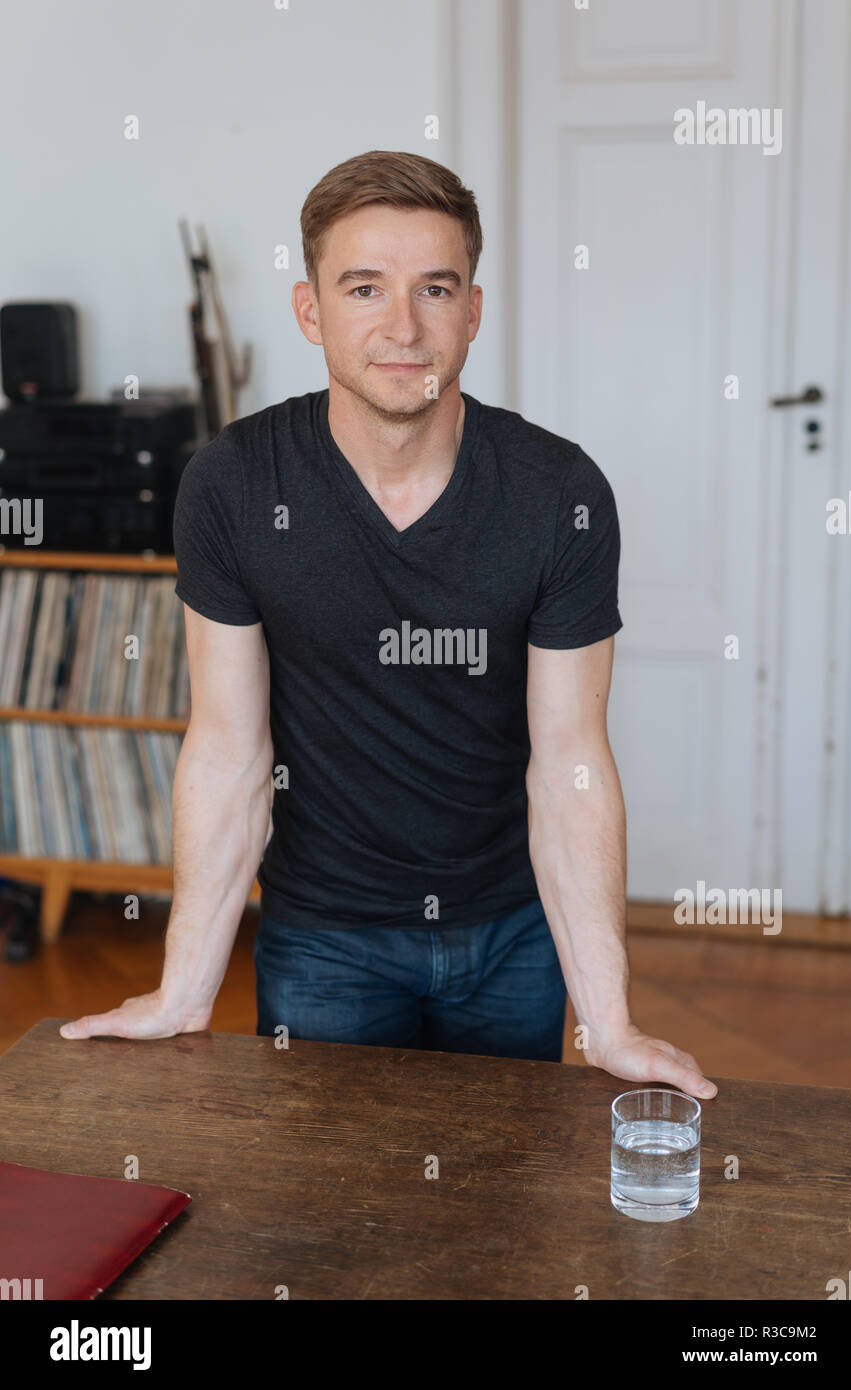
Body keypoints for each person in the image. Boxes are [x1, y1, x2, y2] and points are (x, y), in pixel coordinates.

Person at [61, 150, 717, 1100]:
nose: (403, 327)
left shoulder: (559, 494)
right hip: (323, 937)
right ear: (310, 311)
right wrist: (183, 991)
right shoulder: (233, 485)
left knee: (504, 1189)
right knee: (324, 1195)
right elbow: (228, 750)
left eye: (434, 289)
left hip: (513, 933)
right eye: (364, 288)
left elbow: (570, 761)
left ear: (472, 312)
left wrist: (608, 1023)